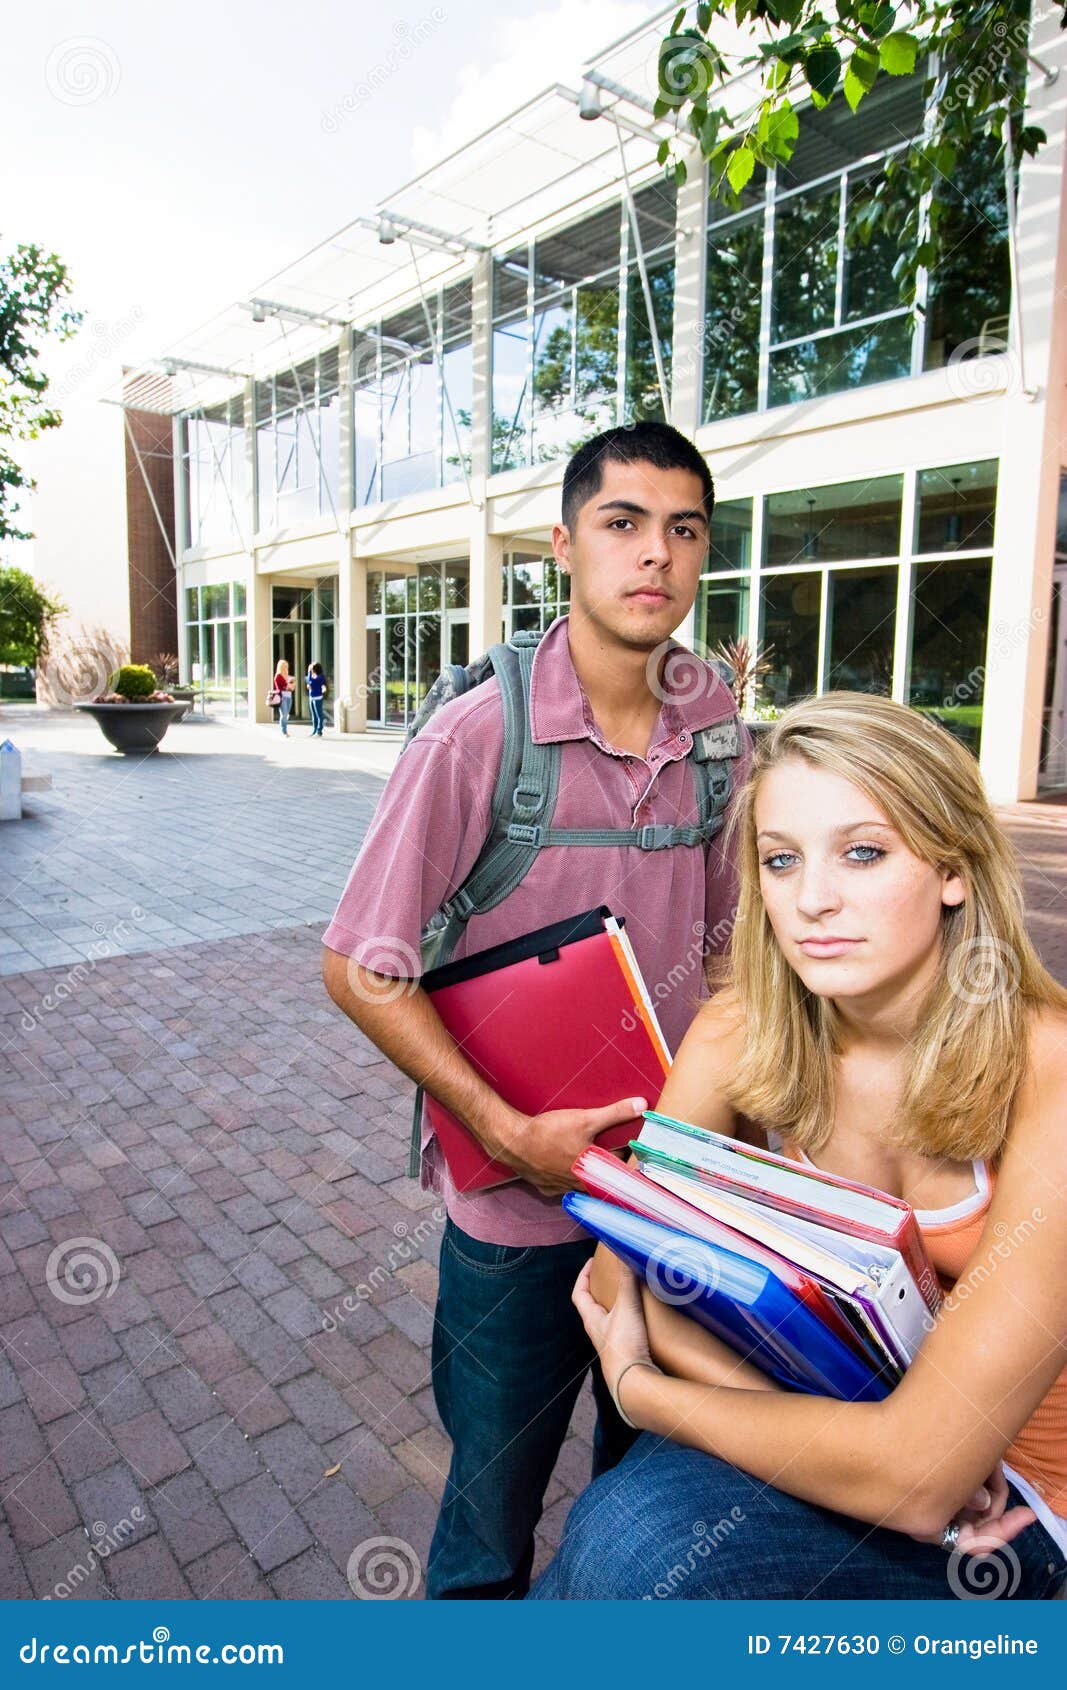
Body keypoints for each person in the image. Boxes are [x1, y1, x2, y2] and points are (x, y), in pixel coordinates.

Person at [321, 421, 751, 1598]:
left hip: (667, 1205)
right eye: (621, 524)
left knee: (654, 1512)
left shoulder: (715, 733)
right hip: (514, 1217)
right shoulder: (477, 735)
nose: (651, 554)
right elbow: (361, 964)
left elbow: (731, 968)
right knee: (484, 1532)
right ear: (562, 546)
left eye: (681, 529)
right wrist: (506, 1131)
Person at [530, 692, 1067, 1601]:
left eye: (863, 852)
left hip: (1018, 1509)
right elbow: (625, 1279)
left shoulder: (1048, 1071)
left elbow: (920, 1479)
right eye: (781, 861)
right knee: (626, 1545)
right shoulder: (741, 1031)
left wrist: (642, 1392)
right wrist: (886, 1446)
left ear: (952, 868)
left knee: (636, 1549)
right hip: (842, 1439)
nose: (812, 900)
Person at [273, 658, 294, 736]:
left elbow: (292, 687)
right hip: (282, 697)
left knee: (287, 714)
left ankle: (284, 729)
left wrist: (290, 685)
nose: (286, 668)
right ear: (281, 667)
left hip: (289, 696)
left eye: (287, 666)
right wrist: (289, 685)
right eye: (284, 666)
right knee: (284, 714)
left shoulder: (287, 676)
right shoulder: (278, 676)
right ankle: (284, 731)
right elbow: (287, 686)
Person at [307, 661, 328, 737]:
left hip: (318, 698)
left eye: (312, 668)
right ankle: (315, 730)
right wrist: (308, 685)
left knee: (319, 715)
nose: (311, 670)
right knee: (313, 715)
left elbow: (313, 683)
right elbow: (309, 683)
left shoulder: (320, 677)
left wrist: (324, 689)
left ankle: (319, 731)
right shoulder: (312, 675)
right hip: (311, 698)